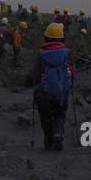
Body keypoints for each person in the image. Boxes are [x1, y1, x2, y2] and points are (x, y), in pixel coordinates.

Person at [33, 22, 76, 150]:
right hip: (61, 93)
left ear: (46, 37)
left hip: (43, 94)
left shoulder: (40, 53)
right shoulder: (67, 52)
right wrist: (70, 86)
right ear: (61, 38)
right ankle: (58, 133)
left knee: (45, 117)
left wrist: (35, 85)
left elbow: (34, 73)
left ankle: (48, 142)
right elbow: (72, 73)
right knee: (60, 114)